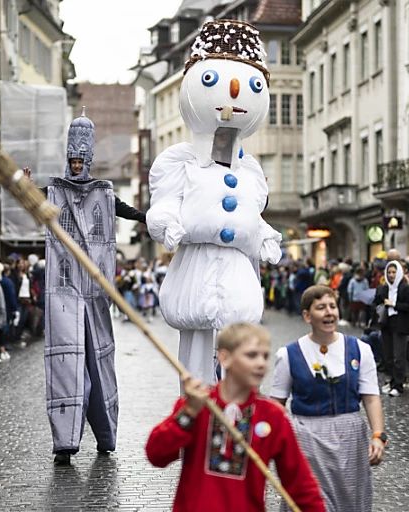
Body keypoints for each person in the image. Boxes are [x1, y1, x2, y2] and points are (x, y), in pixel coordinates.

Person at [145, 20, 283, 387]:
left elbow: (250, 216)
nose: (234, 98)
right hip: (197, 272)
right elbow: (163, 206)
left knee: (238, 361)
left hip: (237, 276)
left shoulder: (250, 170)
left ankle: (233, 430)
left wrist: (266, 236)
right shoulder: (180, 162)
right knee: (197, 368)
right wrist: (166, 224)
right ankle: (197, 430)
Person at [42, 112, 145, 466]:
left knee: (98, 367)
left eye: (80, 161)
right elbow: (29, 201)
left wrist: (151, 217)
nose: (75, 166)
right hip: (65, 292)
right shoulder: (54, 191)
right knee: (68, 368)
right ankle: (65, 443)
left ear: (88, 160)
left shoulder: (104, 194)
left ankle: (104, 435)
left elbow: (126, 211)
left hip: (95, 294)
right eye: (71, 160)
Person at [147, 323, 326, 512]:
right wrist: (188, 413)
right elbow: (156, 454)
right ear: (225, 357)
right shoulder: (197, 404)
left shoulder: (272, 416)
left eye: (265, 356)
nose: (261, 363)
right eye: (251, 355)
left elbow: (301, 484)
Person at [269, 286, 385, 511]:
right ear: (306, 316)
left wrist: (378, 436)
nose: (329, 312)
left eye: (332, 306)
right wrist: (290, 435)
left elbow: (371, 397)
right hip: (307, 439)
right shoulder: (288, 355)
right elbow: (276, 404)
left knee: (350, 503)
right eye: (321, 308)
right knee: (310, 502)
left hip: (351, 439)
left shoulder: (360, 350)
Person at [373, 260, 409, 396]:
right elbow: (375, 302)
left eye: (394, 272)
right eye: (389, 272)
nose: (391, 275)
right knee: (388, 356)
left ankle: (399, 385)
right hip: (387, 324)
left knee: (399, 356)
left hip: (401, 325)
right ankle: (392, 380)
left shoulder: (406, 288)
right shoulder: (383, 288)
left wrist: (394, 304)